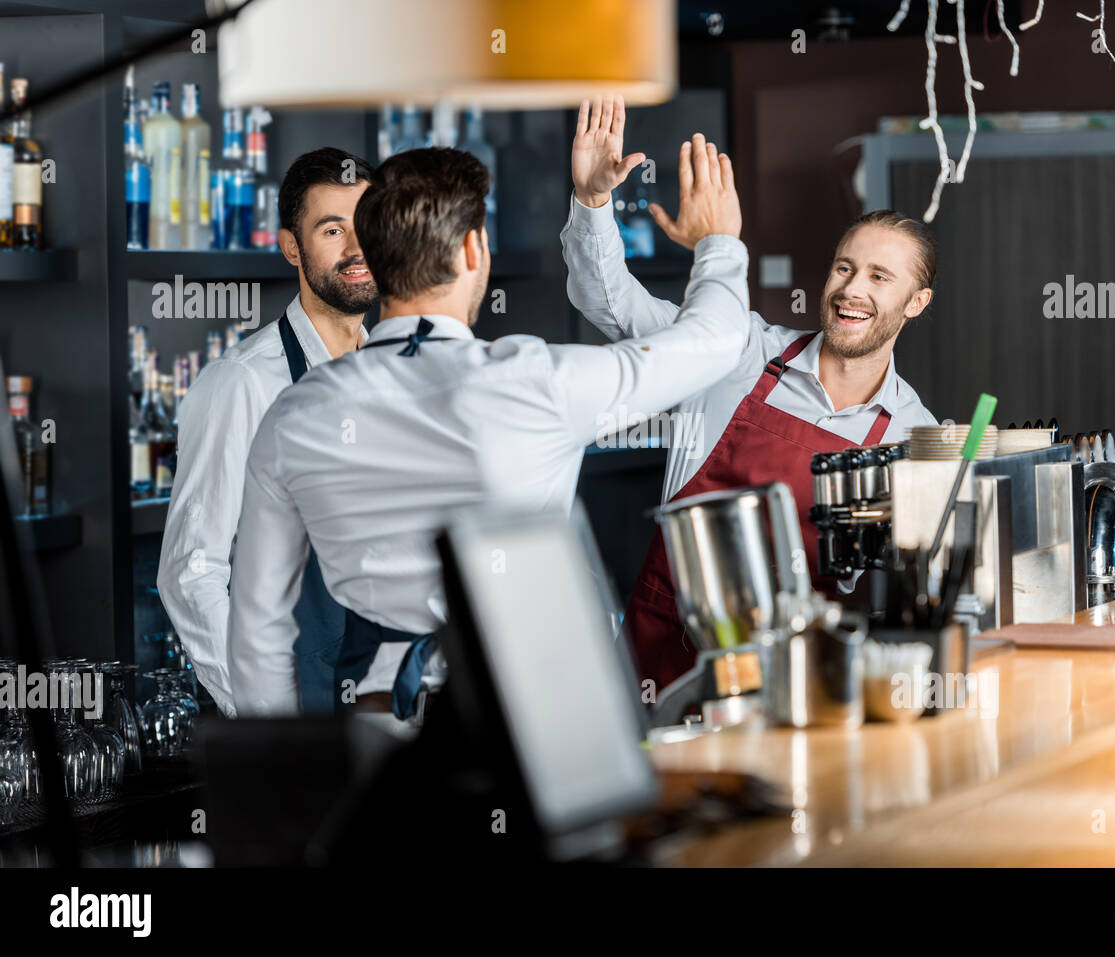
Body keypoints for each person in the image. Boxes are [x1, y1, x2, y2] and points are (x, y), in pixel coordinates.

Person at [227, 138, 750, 718]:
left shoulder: (296, 414)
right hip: (532, 715)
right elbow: (715, 342)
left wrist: (279, 784)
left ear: (373, 258)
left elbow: (256, 628)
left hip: (377, 721)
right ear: (475, 250)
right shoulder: (536, 381)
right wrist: (718, 242)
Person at [562, 95, 940, 692]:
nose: (852, 291)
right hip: (660, 660)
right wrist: (592, 201)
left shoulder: (911, 438)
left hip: (793, 686)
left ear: (915, 304)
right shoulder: (736, 349)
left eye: (879, 277)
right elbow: (608, 301)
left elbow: (897, 587)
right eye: (845, 268)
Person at [158, 148, 379, 716]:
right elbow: (193, 572)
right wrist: (270, 716)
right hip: (300, 725)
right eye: (332, 230)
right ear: (290, 247)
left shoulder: (395, 368)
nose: (358, 249)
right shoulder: (242, 383)